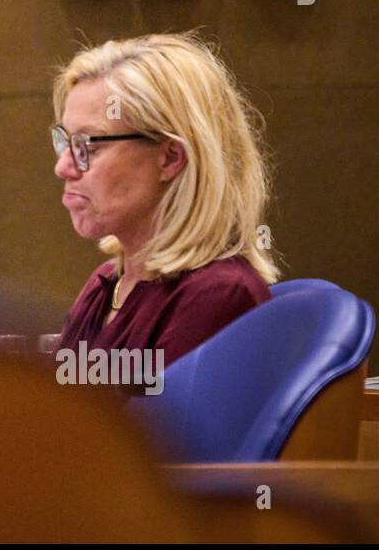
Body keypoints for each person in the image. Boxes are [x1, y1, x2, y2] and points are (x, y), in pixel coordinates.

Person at [51, 32, 277, 365]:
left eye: (89, 146)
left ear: (171, 158)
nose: (63, 167)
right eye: (64, 142)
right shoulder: (106, 287)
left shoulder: (218, 295)